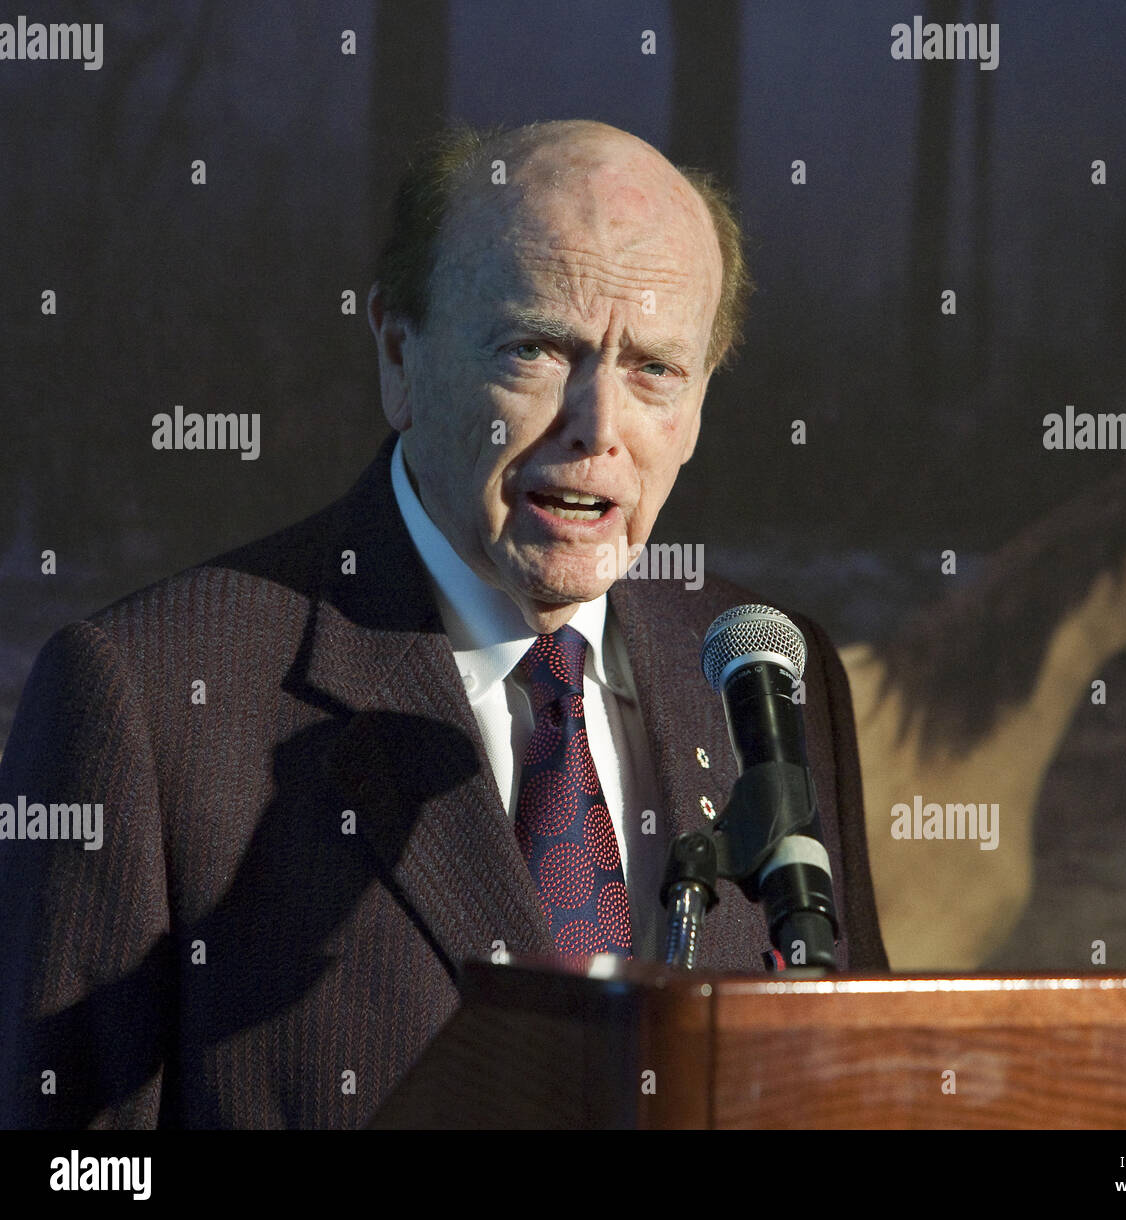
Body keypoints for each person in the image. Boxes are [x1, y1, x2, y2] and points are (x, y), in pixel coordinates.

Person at [0, 119, 889, 1129]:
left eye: (653, 369)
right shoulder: (147, 696)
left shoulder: (766, 672)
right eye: (537, 349)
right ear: (398, 352)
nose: (598, 425)